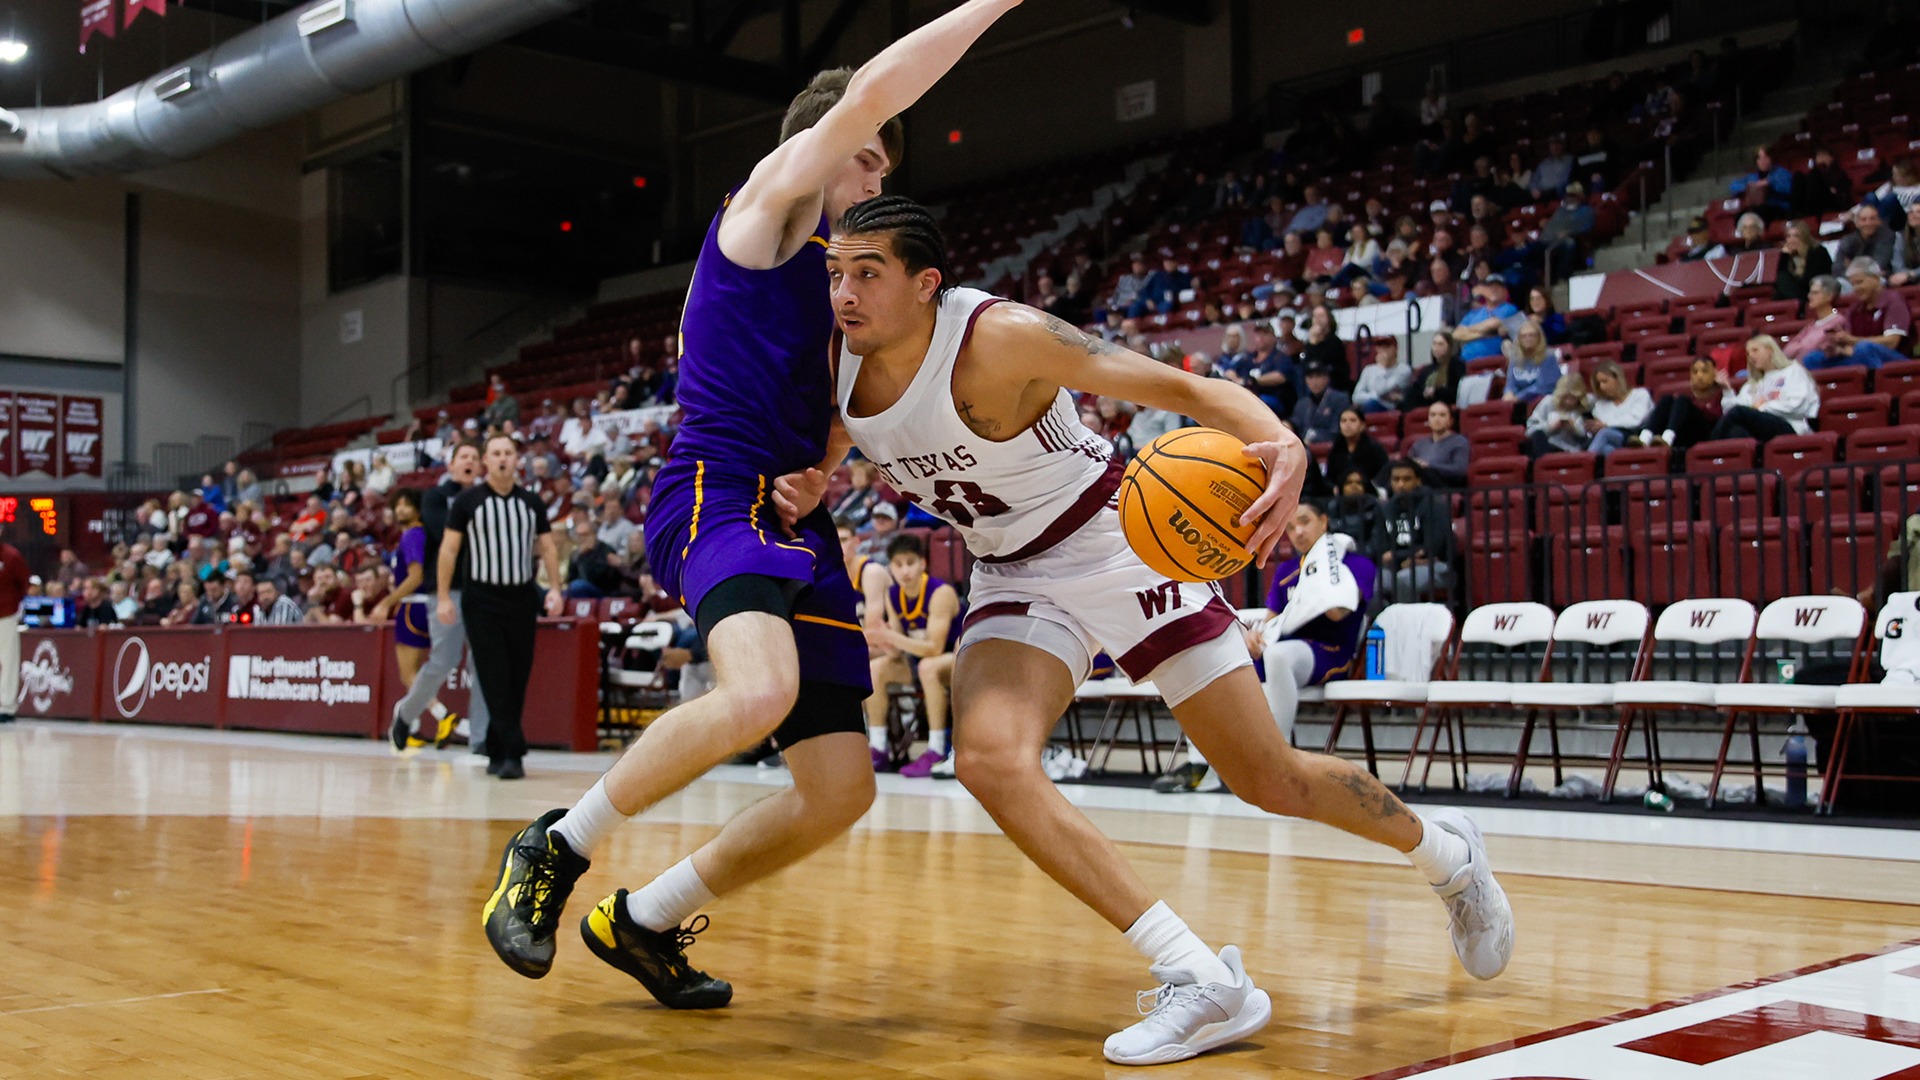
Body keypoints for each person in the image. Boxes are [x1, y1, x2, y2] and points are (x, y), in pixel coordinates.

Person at [804, 196, 1512, 1064]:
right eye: (837, 272)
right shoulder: (839, 356)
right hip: (1013, 571)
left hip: (1122, 542)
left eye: (866, 273)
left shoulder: (1003, 337)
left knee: (1267, 778)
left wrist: (1279, 439)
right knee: (988, 759)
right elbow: (854, 432)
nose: (843, 291)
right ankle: (1200, 976)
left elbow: (1177, 386)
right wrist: (815, 479)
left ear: (927, 285)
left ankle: (1447, 854)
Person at [481, 4, 1026, 1015]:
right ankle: (554, 849)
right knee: (757, 693)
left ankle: (643, 920)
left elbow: (838, 400)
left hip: (791, 518)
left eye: (882, 168)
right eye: (866, 161)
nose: (878, 181)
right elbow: (864, 94)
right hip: (712, 487)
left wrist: (822, 466)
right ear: (818, 151)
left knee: (841, 789)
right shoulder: (766, 212)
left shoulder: (839, 285)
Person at [439, 435, 564, 781]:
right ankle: (513, 751)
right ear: (485, 462)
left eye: (508, 453)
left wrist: (555, 588)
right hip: (481, 600)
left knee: (517, 675)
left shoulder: (531, 502)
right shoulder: (467, 501)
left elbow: (548, 548)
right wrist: (444, 596)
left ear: (516, 459)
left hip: (521, 597)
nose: (503, 459)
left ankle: (496, 745)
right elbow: (449, 550)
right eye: (496, 453)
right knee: (493, 673)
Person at [392, 441, 490, 757]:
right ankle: (406, 714)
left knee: (481, 664)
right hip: (446, 589)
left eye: (475, 457)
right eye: (464, 456)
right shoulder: (435, 497)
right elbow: (444, 531)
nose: (469, 461)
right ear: (451, 465)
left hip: (481, 588)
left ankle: (480, 739)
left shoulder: (487, 496)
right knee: (443, 661)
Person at [862, 533, 962, 777]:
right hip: (917, 662)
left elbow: (934, 648)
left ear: (923, 563)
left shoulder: (941, 592)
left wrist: (893, 638)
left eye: (910, 563)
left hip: (955, 662)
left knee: (928, 666)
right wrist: (882, 638)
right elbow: (897, 650)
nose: (904, 570)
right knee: (875, 668)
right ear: (891, 568)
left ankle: (937, 748)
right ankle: (878, 747)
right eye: (898, 564)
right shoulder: (893, 595)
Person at [378, 489, 457, 751]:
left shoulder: (413, 535)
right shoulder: (424, 534)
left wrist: (387, 602)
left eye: (406, 505)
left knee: (409, 674)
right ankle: (413, 727)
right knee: (425, 669)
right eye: (397, 505)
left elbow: (415, 577)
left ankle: (441, 714)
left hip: (413, 607)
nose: (401, 510)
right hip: (429, 606)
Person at [1802, 258, 1913, 371]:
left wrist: (1854, 340)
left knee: (1864, 348)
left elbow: (1892, 342)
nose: (1856, 288)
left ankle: (1873, 384)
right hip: (1860, 356)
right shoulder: (1854, 309)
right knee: (1812, 358)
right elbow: (1850, 347)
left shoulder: (1894, 301)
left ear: (1875, 278)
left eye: (1860, 282)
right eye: (1853, 284)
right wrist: (1838, 348)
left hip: (1896, 360)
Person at [1710, 334, 1819, 443]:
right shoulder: (1753, 383)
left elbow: (1797, 404)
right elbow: (1731, 412)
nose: (1750, 356)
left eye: (1755, 350)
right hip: (1760, 431)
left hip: (1790, 426)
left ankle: (1710, 447)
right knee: (1735, 432)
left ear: (1770, 350)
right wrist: (1727, 390)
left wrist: (1761, 409)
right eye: (1748, 353)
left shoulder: (1793, 371)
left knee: (1739, 412)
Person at [1374, 461, 1455, 602]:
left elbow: (1432, 548)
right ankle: (1377, 621)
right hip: (1397, 566)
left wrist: (1397, 556)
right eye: (1396, 479)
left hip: (1437, 567)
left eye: (1407, 479)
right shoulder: (1386, 509)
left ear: (1418, 481)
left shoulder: (1434, 505)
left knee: (1404, 579)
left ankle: (1406, 623)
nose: (1401, 485)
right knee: (1370, 580)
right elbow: (1380, 548)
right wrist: (1403, 558)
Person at [1639, 357, 1737, 452]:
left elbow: (1730, 415)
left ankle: (1668, 438)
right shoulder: (1690, 398)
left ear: (1714, 373)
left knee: (1682, 400)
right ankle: (1644, 438)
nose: (1699, 376)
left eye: (1705, 371)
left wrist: (1726, 388)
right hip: (1685, 436)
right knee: (1667, 399)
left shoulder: (1721, 394)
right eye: (1695, 372)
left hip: (1709, 435)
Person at [1585, 360, 1655, 455]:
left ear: (1617, 378)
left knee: (1605, 433)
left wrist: (1606, 424)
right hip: (1615, 441)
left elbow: (1636, 420)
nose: (1602, 387)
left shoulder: (1640, 394)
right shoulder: (1600, 405)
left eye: (1605, 381)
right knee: (1606, 448)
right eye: (1599, 384)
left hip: (1636, 437)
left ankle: (1585, 461)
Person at [1525, 373, 1595, 458]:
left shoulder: (1588, 404)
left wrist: (1574, 430)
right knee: (1538, 436)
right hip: (1550, 444)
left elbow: (1589, 434)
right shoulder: (1548, 402)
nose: (1569, 401)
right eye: (1565, 397)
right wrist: (1550, 427)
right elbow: (1530, 430)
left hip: (1575, 448)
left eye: (1573, 398)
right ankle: (1544, 463)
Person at [1784, 275, 1849, 362]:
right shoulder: (1811, 325)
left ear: (1829, 296)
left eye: (1815, 293)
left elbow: (1809, 350)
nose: (1809, 296)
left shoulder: (1838, 321)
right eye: (1810, 292)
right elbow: (1786, 351)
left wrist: (1798, 347)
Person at [1325, 408, 1389, 496]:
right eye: (1343, 421)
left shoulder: (1374, 448)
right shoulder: (1336, 449)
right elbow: (1330, 477)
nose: (1347, 425)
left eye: (1353, 420)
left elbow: (1384, 472)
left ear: (1362, 425)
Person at [1406, 400, 1471, 488]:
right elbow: (1407, 464)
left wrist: (1429, 465)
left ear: (1450, 421)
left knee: (1426, 472)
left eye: (1442, 415)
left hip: (1445, 486)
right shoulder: (1420, 444)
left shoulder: (1460, 441)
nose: (1437, 419)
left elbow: (1460, 470)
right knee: (1393, 466)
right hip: (1419, 485)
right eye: (1433, 415)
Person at [1453, 279, 1518, 364]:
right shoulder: (1474, 312)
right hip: (1466, 361)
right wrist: (1485, 334)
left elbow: (1492, 324)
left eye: (1498, 288)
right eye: (1490, 288)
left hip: (1491, 361)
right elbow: (1456, 334)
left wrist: (1467, 331)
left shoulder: (1509, 308)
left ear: (1505, 292)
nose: (1494, 290)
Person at [1502, 320, 1563, 405]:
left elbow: (1542, 386)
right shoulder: (1515, 359)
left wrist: (1518, 397)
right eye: (1524, 336)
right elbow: (1510, 383)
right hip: (1518, 403)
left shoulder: (1549, 357)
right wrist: (1508, 393)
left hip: (1542, 401)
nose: (1528, 339)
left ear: (1539, 337)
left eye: (1532, 335)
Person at [1290, 361, 1351, 444]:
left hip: (1330, 446)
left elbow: (1337, 431)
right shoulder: (1302, 403)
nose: (1314, 382)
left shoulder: (1339, 399)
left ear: (1327, 378)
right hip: (1304, 448)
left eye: (1318, 376)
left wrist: (1314, 436)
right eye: (1310, 377)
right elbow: (1295, 426)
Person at [1775, 221, 1834, 303]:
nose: (1791, 240)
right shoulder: (1787, 255)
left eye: (1796, 236)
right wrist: (1784, 256)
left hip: (1816, 288)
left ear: (1804, 237)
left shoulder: (1818, 251)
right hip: (1796, 294)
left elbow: (1810, 280)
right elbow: (1780, 278)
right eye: (1788, 236)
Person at [1406, 333, 1466, 410]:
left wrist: (1436, 392)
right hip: (1426, 406)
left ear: (1450, 346)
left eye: (1441, 344)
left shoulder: (1457, 366)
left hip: (1447, 406)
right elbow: (1416, 389)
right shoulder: (1426, 370)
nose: (1436, 348)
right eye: (1434, 344)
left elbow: (1457, 391)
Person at [1730, 147, 1793, 220]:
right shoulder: (1752, 176)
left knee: (1758, 212)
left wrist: (1769, 184)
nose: (1763, 161)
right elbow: (1733, 186)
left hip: (1778, 207)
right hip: (1756, 207)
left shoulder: (1781, 172)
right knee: (1739, 217)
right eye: (1759, 158)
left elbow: (1788, 188)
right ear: (1756, 161)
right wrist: (1751, 186)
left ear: (1771, 158)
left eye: (1765, 157)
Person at [1351, 337, 1411, 413]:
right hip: (1368, 406)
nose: (1383, 350)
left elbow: (1382, 390)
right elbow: (1356, 396)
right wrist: (1377, 396)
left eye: (1387, 347)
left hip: (1391, 408)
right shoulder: (1368, 369)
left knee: (1371, 405)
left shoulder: (1404, 370)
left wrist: (1383, 368)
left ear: (1395, 349)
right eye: (1380, 347)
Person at [1838, 204, 1897, 274]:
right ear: (1857, 223)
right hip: (1851, 279)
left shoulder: (1887, 236)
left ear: (1879, 221)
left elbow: (1879, 265)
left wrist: (1852, 267)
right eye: (1863, 219)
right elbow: (1837, 268)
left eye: (1872, 219)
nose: (1868, 223)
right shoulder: (1847, 240)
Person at [1892, 202, 1920, 287]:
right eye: (1911, 212)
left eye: (1918, 212)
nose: (1913, 215)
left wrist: (1911, 274)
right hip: (1908, 279)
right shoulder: (1900, 237)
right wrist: (1904, 275)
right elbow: (1897, 265)